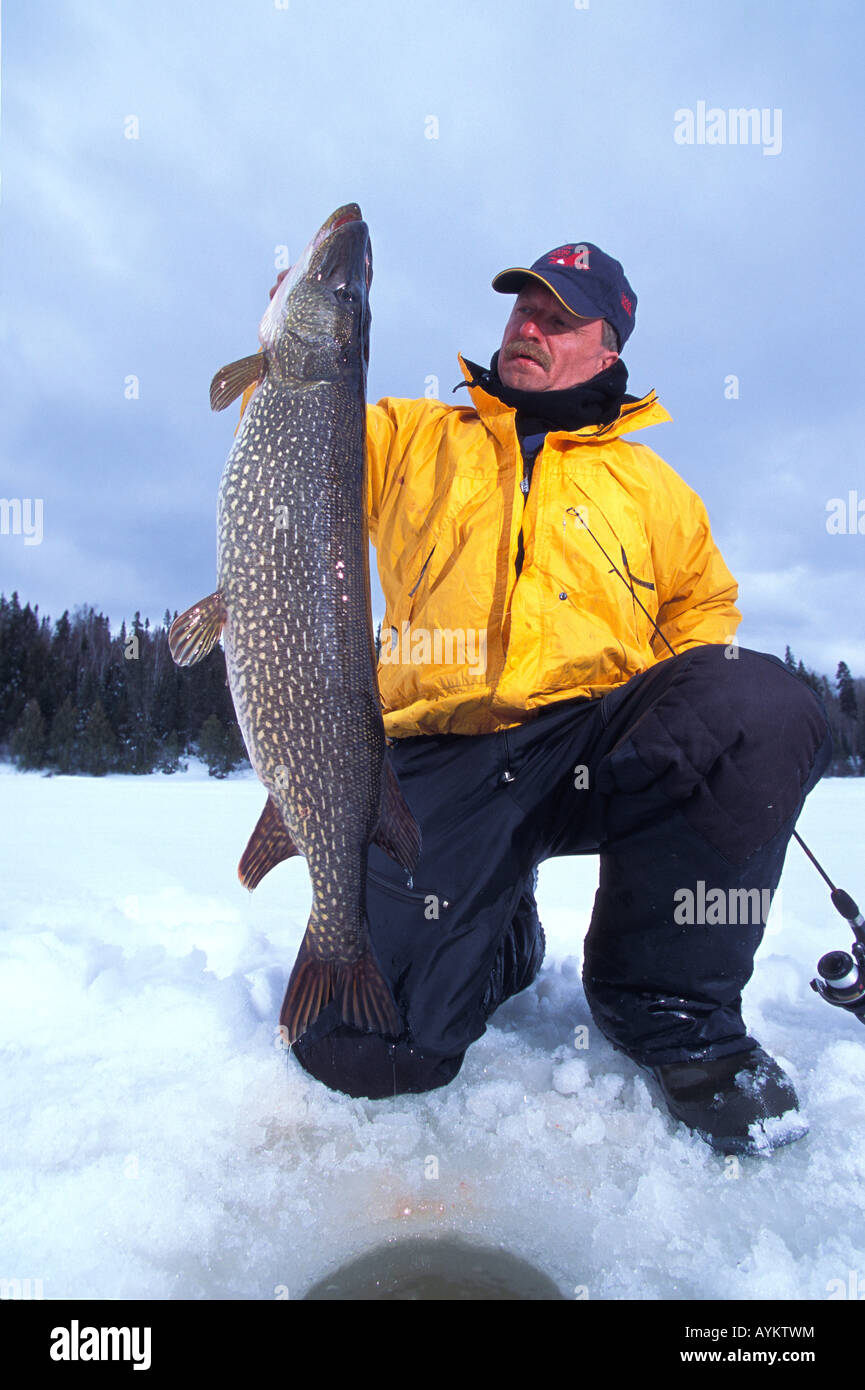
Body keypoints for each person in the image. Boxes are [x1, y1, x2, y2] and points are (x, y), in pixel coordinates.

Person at [258, 241, 831, 1155]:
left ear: (608, 349)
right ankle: (499, 938)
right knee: (365, 1051)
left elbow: (704, 607)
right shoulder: (409, 437)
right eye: (522, 310)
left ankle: (664, 1002)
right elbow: (297, 449)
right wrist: (294, 341)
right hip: (442, 755)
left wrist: (690, 709)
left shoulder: (654, 488)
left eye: (558, 318)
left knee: (755, 705)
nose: (528, 327)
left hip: (598, 744)